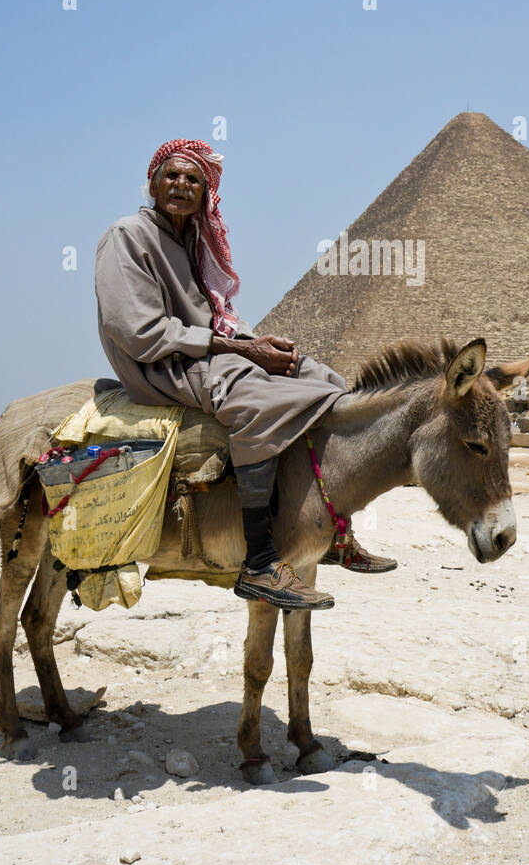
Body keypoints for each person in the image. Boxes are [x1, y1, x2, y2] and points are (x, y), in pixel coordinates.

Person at [94, 138, 396, 612]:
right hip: (158, 364)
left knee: (323, 379)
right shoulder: (127, 235)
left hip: (203, 353)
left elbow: (217, 318)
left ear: (205, 192)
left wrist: (261, 346)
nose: (181, 185)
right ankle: (259, 561)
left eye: (193, 179)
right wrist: (242, 350)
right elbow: (139, 331)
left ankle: (335, 529)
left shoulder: (193, 241)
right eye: (171, 176)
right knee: (261, 401)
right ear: (152, 182)